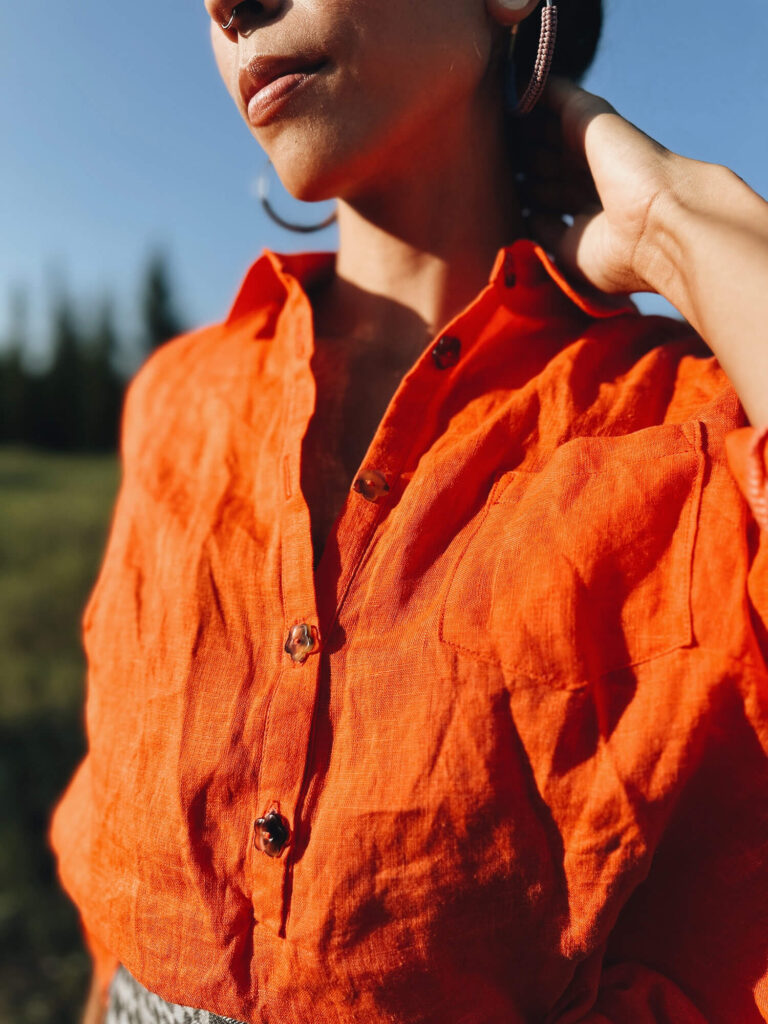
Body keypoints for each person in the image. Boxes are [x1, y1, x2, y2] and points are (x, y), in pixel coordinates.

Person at [49, 0, 768, 1022]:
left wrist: (673, 227)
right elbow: (122, 918)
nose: (227, 5)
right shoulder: (176, 401)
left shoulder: (682, 428)